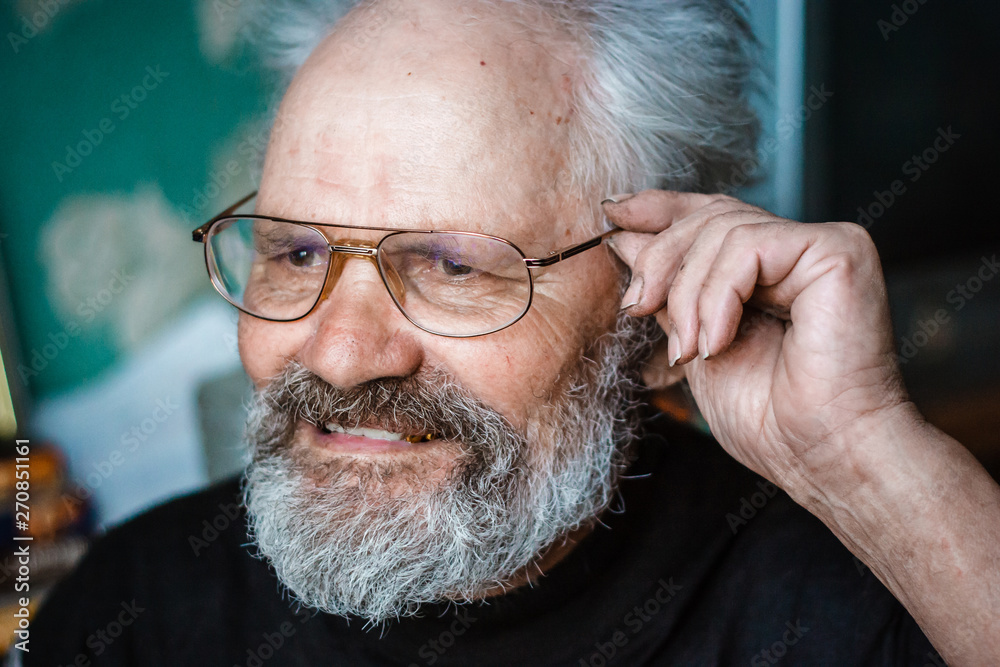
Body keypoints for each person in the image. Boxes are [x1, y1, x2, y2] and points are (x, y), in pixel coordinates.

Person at [23, 1, 1000, 665]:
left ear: (648, 307)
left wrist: (865, 455)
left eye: (452, 266)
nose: (338, 351)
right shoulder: (137, 609)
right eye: (297, 253)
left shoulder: (833, 614)